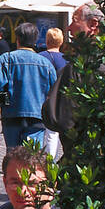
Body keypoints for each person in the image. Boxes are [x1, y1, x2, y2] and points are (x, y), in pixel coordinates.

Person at [43, 2, 104, 154]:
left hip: (82, 155)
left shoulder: (80, 66)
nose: (69, 28)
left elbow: (57, 117)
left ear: (93, 25)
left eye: (74, 21)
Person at [0, 21, 57, 150]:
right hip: (36, 115)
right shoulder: (45, 64)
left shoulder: (6, 59)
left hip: (12, 113)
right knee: (31, 157)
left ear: (17, 39)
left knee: (13, 155)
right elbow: (54, 91)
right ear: (35, 40)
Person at [37, 28, 68, 156]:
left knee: (37, 131)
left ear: (47, 40)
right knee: (52, 133)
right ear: (61, 41)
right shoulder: (67, 59)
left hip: (41, 96)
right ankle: (51, 161)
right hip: (59, 98)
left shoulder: (39, 57)